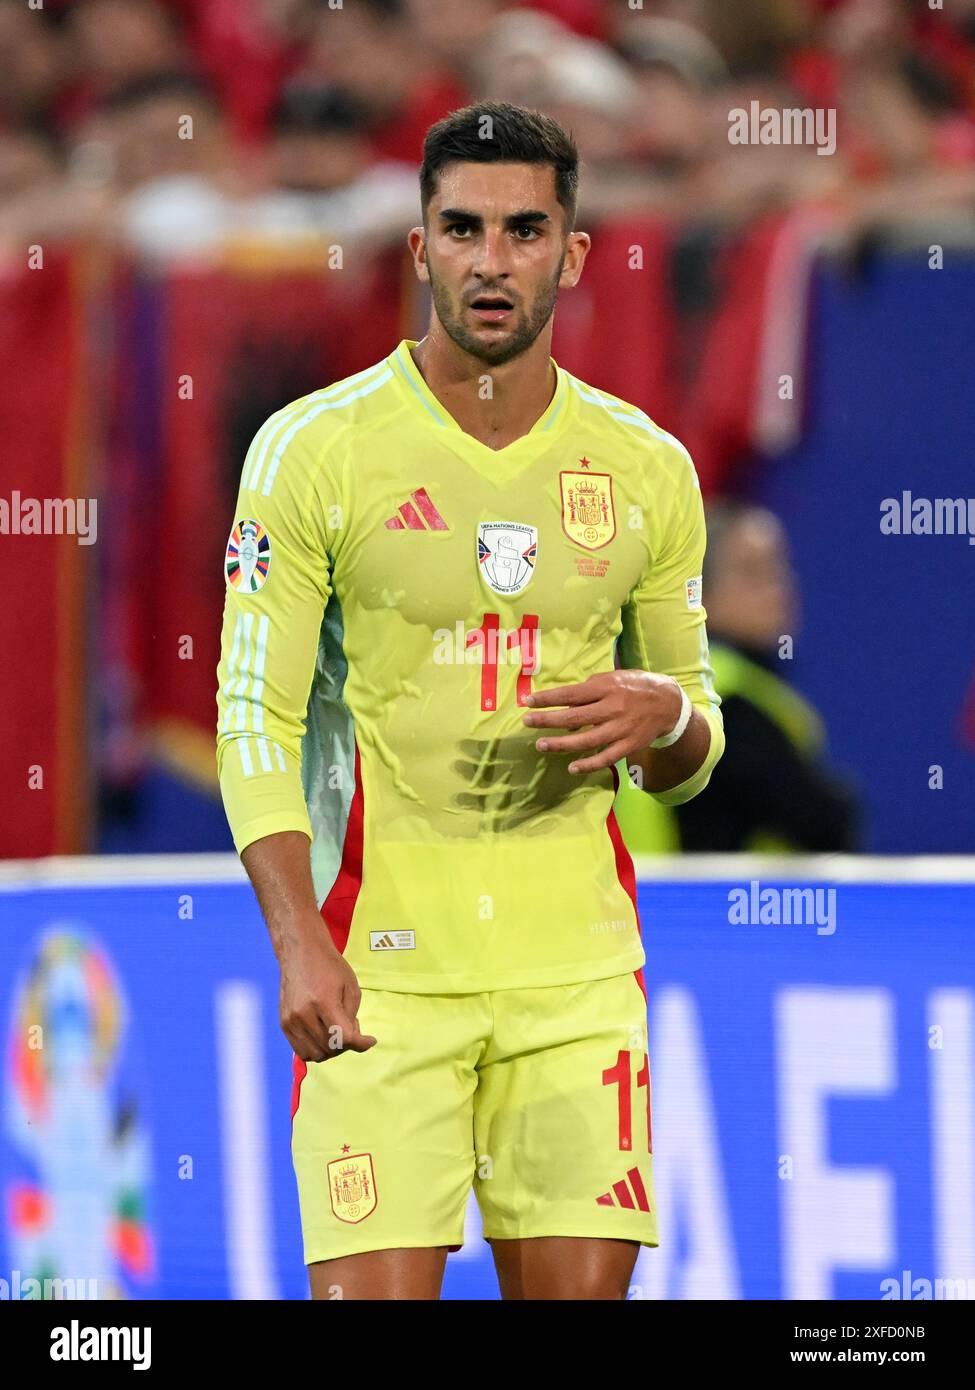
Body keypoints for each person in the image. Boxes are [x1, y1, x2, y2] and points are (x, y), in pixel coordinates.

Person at [215, 100, 725, 1302]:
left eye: (525, 231)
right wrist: (300, 943)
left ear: (574, 252)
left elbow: (693, 740)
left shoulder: (647, 469)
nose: (492, 262)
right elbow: (255, 717)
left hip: (578, 982)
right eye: (463, 229)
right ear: (419, 247)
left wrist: (670, 719)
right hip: (377, 978)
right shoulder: (313, 453)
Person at [615, 501, 858, 853]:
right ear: (698, 592)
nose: (778, 588)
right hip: (699, 906)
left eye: (780, 568)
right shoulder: (729, 703)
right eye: (752, 572)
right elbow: (824, 823)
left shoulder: (661, 680)